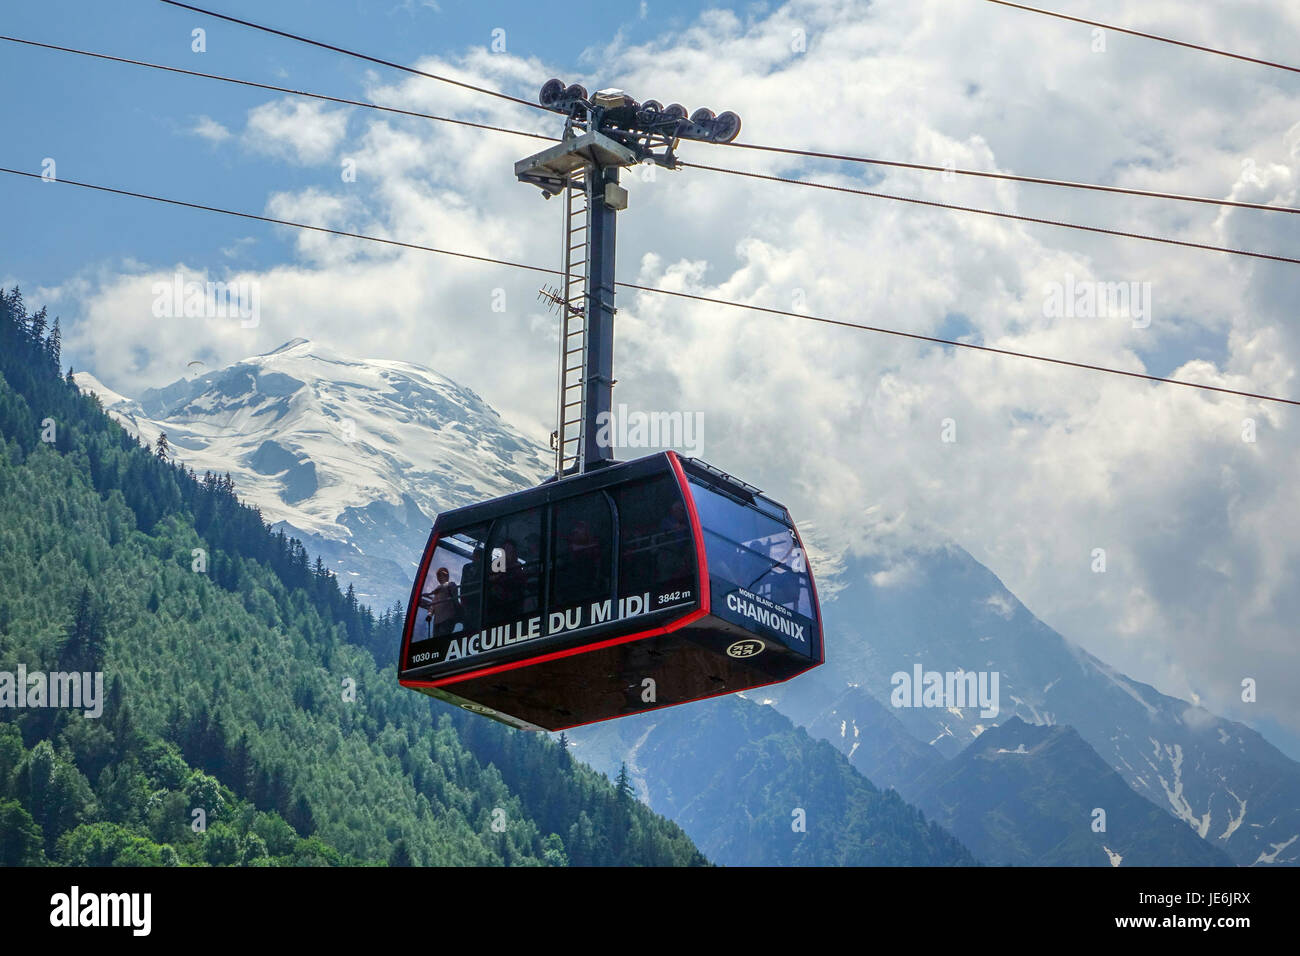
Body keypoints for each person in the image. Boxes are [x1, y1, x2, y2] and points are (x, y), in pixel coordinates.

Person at [424, 567, 461, 637]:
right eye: (438, 576)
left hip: (447, 619)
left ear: (446, 576)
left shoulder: (451, 585)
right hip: (437, 622)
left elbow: (455, 598)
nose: (439, 577)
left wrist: (434, 591)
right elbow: (433, 605)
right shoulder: (437, 591)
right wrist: (429, 615)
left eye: (441, 575)